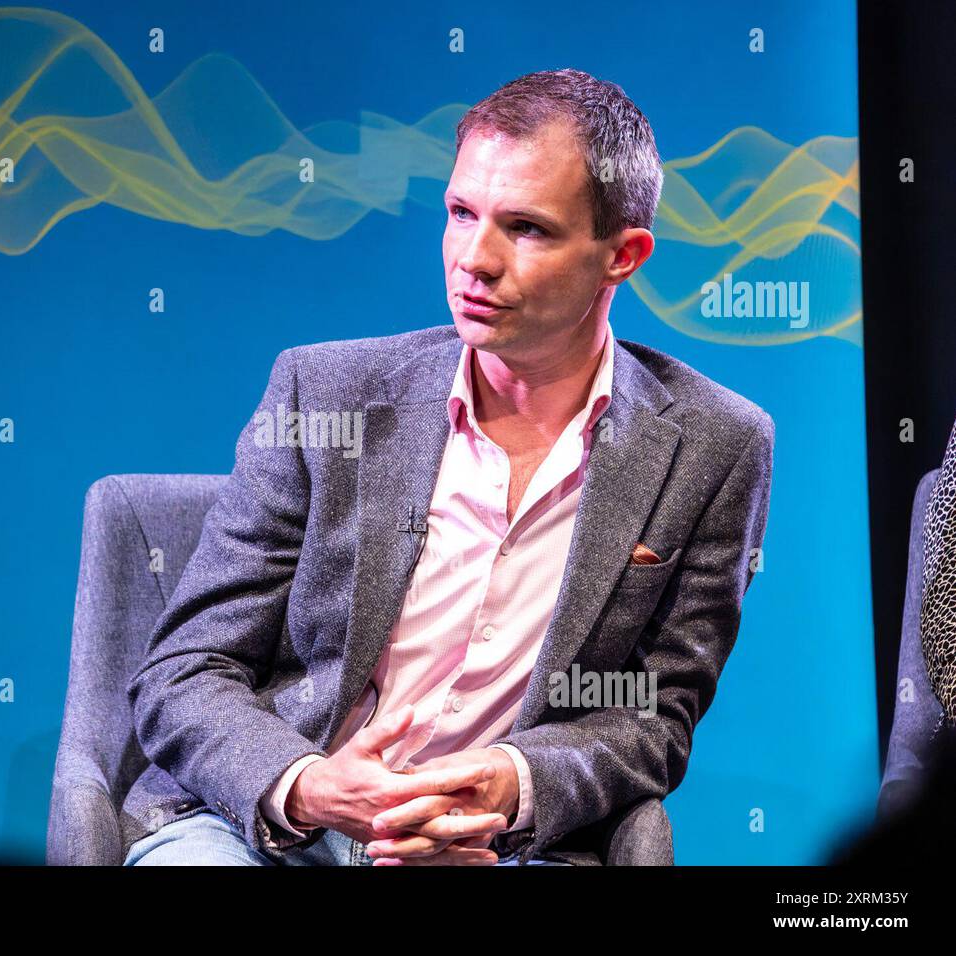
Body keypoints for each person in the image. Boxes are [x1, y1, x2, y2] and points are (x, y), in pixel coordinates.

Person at [123, 68, 774, 866]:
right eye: (461, 214)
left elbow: (652, 713)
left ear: (623, 256)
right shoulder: (322, 394)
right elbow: (186, 671)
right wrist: (307, 785)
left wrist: (508, 785)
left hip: (502, 848)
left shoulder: (715, 443)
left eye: (526, 228)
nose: (475, 258)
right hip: (269, 826)